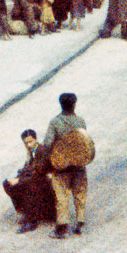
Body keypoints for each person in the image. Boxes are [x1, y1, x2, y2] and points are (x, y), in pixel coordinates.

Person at [41, 93, 92, 239]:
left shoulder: (55, 122)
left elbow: (47, 144)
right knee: (80, 193)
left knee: (61, 196)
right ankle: (80, 223)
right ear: (74, 104)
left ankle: (62, 228)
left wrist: (46, 161)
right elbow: (84, 141)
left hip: (61, 165)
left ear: (60, 104)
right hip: (78, 164)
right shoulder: (80, 121)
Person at [2, 129, 54, 233]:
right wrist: (18, 177)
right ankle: (24, 212)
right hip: (35, 178)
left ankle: (32, 220)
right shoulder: (30, 152)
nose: (29, 145)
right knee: (8, 184)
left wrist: (20, 180)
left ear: (36, 139)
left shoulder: (41, 150)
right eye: (26, 143)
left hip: (44, 179)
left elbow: (39, 170)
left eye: (31, 142)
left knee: (26, 185)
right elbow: (27, 168)